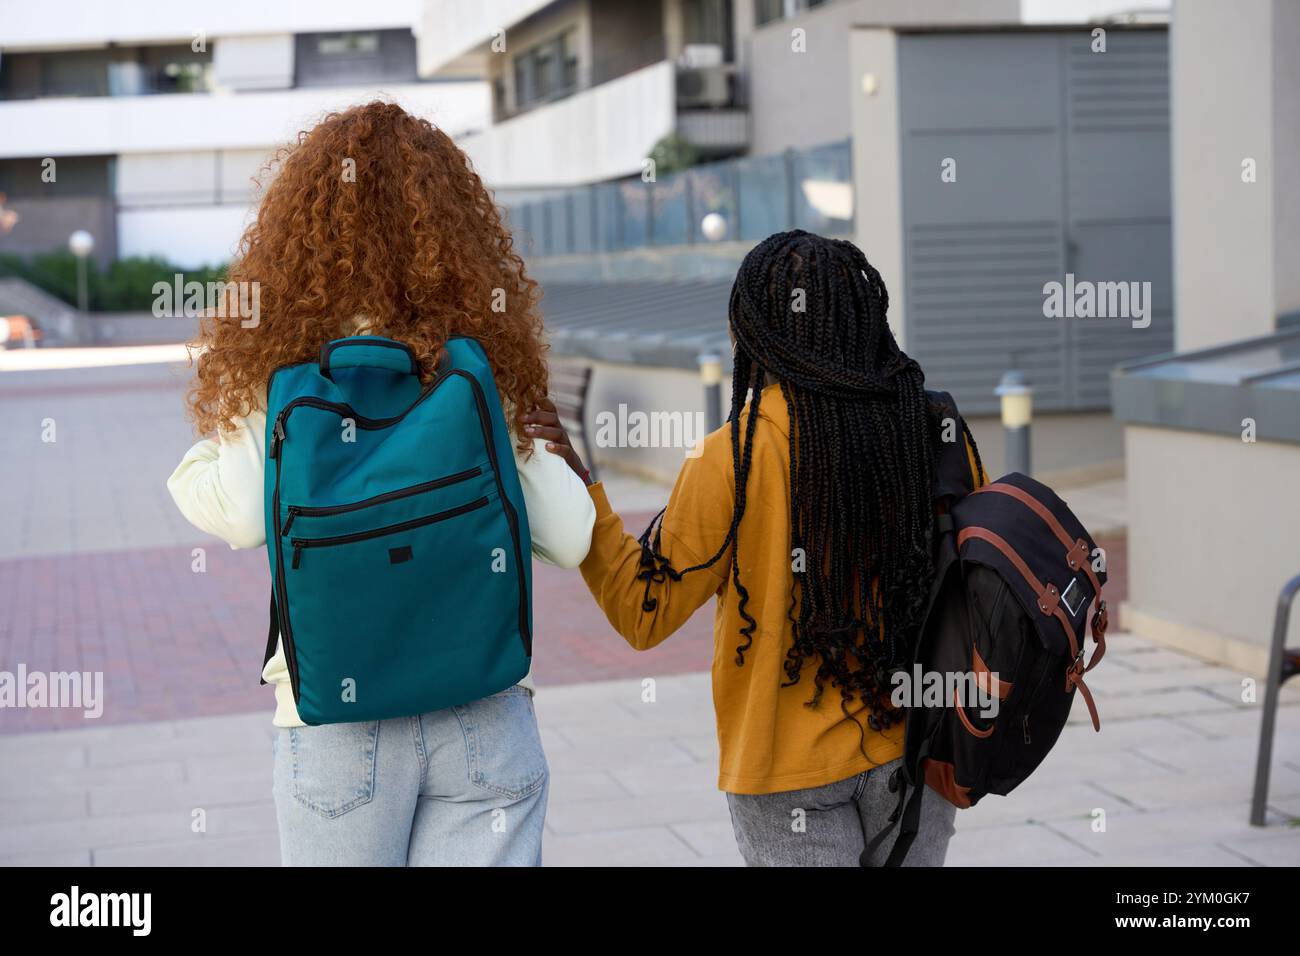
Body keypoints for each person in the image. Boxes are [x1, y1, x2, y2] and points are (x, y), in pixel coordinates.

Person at [167, 101, 594, 866]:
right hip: (484, 717)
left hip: (337, 726)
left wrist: (203, 455)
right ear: (459, 230)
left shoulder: (286, 378)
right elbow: (571, 533)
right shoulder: (477, 370)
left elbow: (236, 515)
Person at [527, 230, 985, 866]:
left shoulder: (733, 457)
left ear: (753, 332)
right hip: (916, 751)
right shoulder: (932, 430)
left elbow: (643, 612)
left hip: (785, 770)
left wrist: (583, 492)